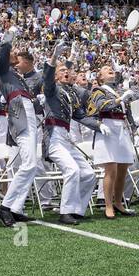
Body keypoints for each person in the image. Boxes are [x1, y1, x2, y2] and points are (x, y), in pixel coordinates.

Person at [42, 44, 98, 224]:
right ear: (56, 75)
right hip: (53, 137)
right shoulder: (52, 89)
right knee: (72, 170)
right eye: (62, 70)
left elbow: (80, 115)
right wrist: (53, 57)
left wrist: (99, 125)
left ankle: (77, 210)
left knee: (89, 174)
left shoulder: (71, 94)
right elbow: (47, 77)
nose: (66, 72)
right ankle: (65, 212)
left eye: (68, 70)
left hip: (66, 137)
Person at [0, 29, 39, 227]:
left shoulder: (16, 75)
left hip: (27, 112)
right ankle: (5, 207)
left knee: (31, 164)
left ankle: (16, 208)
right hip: (20, 114)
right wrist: (8, 39)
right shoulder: (3, 69)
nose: (16, 55)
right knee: (29, 163)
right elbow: (3, 55)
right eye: (14, 53)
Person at [87, 62, 134, 219]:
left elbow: (127, 112)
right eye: (106, 70)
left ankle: (118, 202)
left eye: (111, 69)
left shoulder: (118, 90)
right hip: (107, 127)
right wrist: (120, 99)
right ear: (100, 77)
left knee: (123, 168)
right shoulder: (98, 90)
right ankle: (108, 205)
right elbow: (102, 106)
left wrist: (133, 129)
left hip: (121, 127)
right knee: (111, 169)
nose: (110, 71)